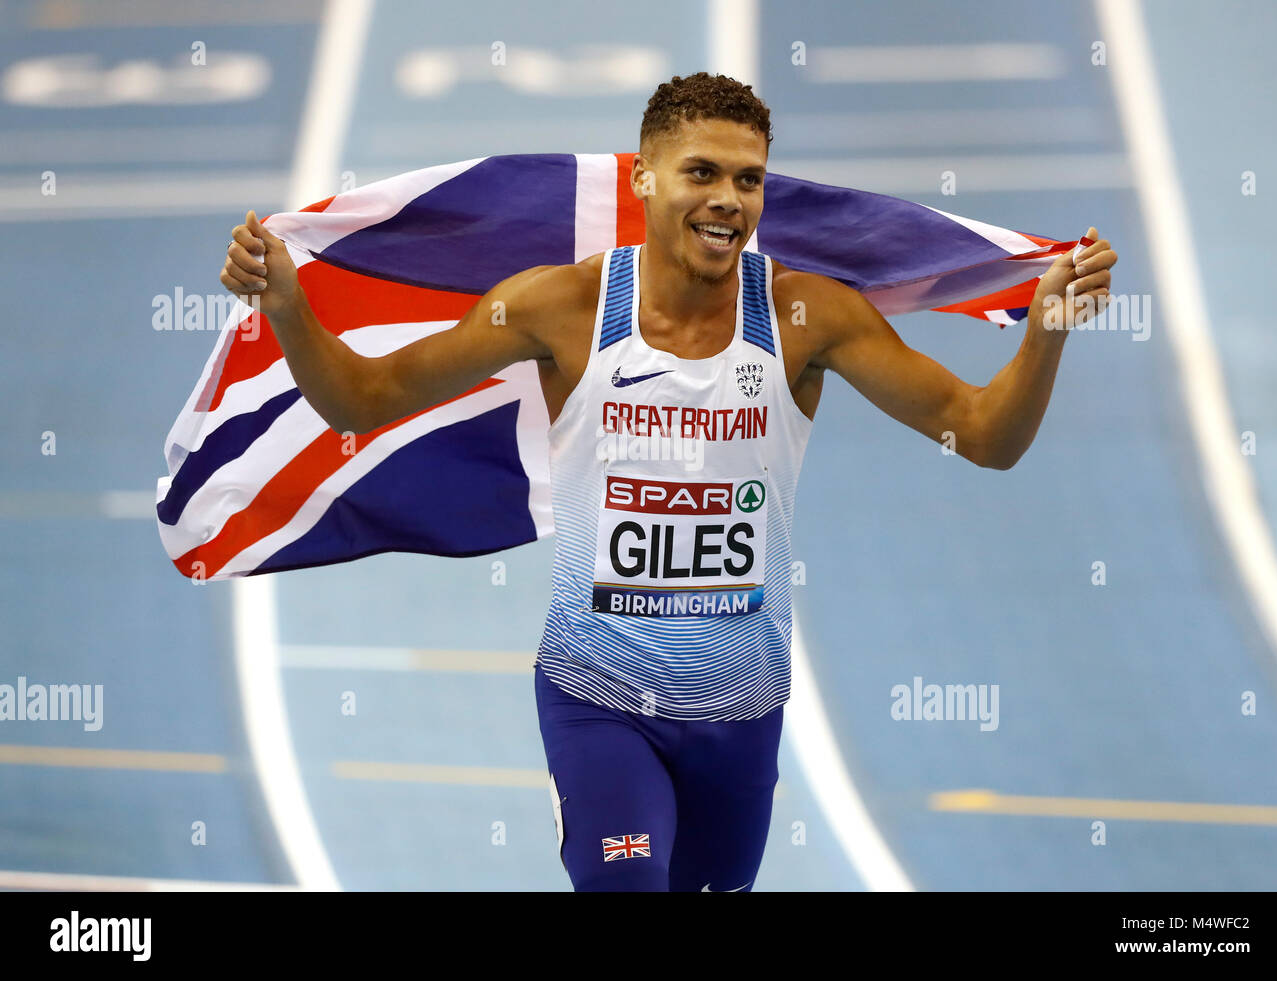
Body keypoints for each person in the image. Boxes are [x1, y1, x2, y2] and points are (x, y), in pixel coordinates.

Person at [219, 72, 1116, 892]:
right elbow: (363, 398)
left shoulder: (809, 319)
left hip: (742, 713)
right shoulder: (560, 307)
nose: (729, 200)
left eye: (749, 179)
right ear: (644, 179)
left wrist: (1048, 328)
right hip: (599, 700)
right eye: (702, 173)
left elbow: (987, 436)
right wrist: (288, 307)